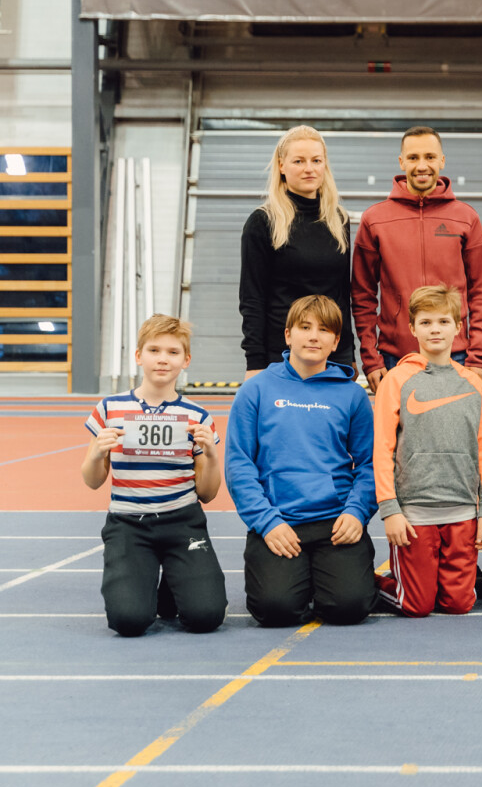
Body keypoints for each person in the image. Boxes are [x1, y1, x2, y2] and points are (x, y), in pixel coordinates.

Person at [226, 295, 378, 627]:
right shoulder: (256, 390)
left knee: (350, 607)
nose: (313, 336)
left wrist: (356, 512)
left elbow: (370, 464)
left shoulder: (352, 395)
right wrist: (267, 522)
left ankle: (330, 578)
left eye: (324, 330)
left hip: (335, 523)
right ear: (288, 335)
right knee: (275, 610)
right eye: (305, 327)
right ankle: (298, 581)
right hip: (280, 521)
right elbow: (239, 465)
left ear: (336, 341)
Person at [80, 315, 225, 637]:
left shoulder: (197, 416)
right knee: (128, 621)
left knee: (206, 617)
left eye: (173, 352)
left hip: (183, 521)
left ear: (186, 360)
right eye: (154, 350)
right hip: (129, 524)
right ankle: (146, 576)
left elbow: (208, 493)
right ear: (138, 356)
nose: (163, 359)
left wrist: (212, 456)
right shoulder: (109, 408)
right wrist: (96, 453)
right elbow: (92, 480)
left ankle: (173, 579)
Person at [372, 286, 482, 618]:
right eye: (426, 322)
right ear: (412, 328)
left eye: (444, 321)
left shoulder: (472, 383)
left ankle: (424, 581)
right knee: (417, 606)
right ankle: (371, 584)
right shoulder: (397, 380)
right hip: (414, 515)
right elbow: (382, 449)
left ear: (459, 326)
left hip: (462, 513)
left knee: (458, 605)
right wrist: (390, 510)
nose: (435, 330)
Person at [352, 126, 482, 390]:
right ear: (401, 161)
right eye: (413, 157)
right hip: (395, 358)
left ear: (442, 160)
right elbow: (363, 296)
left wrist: (479, 357)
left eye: (430, 157)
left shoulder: (466, 218)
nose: (422, 165)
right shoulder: (375, 220)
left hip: (457, 356)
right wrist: (371, 359)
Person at [239, 125, 354, 378]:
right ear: (281, 166)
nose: (309, 168)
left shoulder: (338, 220)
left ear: (325, 165)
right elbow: (252, 300)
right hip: (280, 357)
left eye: (316, 160)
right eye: (299, 161)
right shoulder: (263, 222)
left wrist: (347, 351)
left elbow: (342, 294)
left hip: (330, 355)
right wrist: (254, 362)